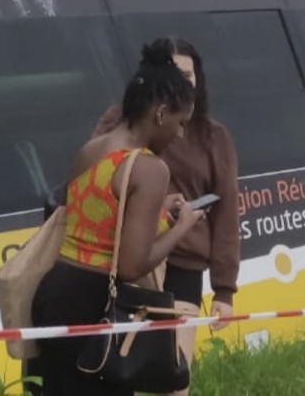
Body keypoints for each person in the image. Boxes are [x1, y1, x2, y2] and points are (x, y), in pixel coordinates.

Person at [31, 39, 208, 396]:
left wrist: (156, 211)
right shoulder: (149, 169)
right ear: (160, 113)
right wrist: (183, 228)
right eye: (179, 122)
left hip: (54, 292)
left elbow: (93, 209)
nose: (180, 133)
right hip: (97, 304)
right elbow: (131, 266)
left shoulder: (91, 150)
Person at [90, 37, 240, 396]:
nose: (183, 83)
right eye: (175, 74)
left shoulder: (214, 136)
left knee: (173, 381)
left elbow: (227, 212)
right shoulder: (119, 122)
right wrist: (156, 208)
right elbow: (94, 181)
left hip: (182, 267)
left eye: (189, 75)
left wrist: (224, 289)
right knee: (111, 370)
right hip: (123, 261)